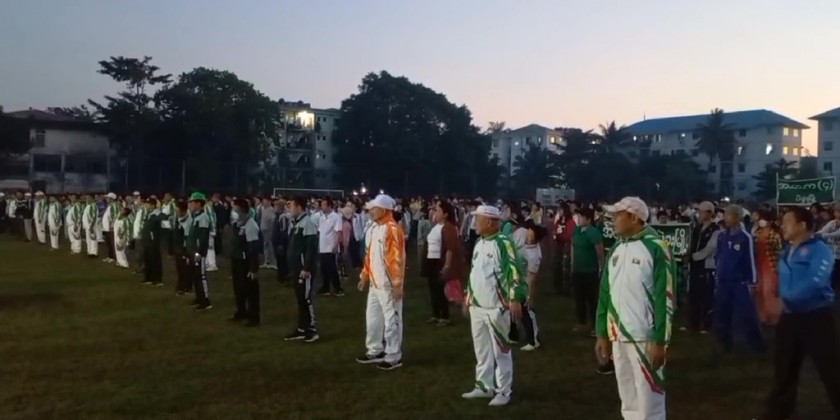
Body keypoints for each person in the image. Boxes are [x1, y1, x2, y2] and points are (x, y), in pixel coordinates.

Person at [595, 197, 674, 420]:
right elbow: (605, 293)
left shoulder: (657, 248)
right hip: (618, 335)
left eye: (617, 215)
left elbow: (665, 298)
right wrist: (602, 332)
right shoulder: (616, 248)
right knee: (628, 397)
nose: (612, 220)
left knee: (649, 399)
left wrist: (660, 339)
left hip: (644, 336)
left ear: (633, 217)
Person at [758, 206, 840, 420]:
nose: (782, 226)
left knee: (830, 367)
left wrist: (787, 298)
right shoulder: (787, 250)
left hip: (816, 316)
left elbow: (817, 281)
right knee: (784, 367)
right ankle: (778, 410)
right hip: (790, 317)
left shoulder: (820, 250)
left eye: (787, 222)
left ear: (802, 225)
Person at [460, 205, 527, 407]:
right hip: (478, 307)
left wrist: (515, 297)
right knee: (482, 350)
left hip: (497, 308)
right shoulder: (479, 243)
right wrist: (468, 297)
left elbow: (514, 271)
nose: (475, 223)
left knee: (501, 351)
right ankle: (483, 386)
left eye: (478, 219)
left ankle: (503, 390)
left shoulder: (503, 243)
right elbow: (475, 272)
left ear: (489, 222)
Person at [355, 194, 406, 371]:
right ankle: (375, 349)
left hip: (388, 285)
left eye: (374, 208)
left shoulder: (392, 229)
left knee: (392, 319)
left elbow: (396, 259)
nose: (370, 211)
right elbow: (369, 255)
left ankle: (393, 355)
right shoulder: (374, 228)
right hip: (375, 283)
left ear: (384, 210)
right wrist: (364, 275)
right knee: (373, 317)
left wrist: (397, 284)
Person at [714, 205, 766, 354]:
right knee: (722, 312)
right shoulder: (722, 236)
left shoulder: (745, 237)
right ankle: (724, 343)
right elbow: (719, 256)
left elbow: (751, 259)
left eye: (729, 215)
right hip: (723, 281)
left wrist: (753, 281)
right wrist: (717, 274)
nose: (725, 218)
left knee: (748, 313)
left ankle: (757, 344)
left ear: (737, 217)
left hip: (739, 282)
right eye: (725, 214)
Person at [284, 196, 320, 343]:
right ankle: (302, 328)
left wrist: (306, 268)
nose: (289, 209)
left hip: (304, 270)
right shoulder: (296, 223)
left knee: (306, 298)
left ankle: (311, 329)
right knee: (300, 298)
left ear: (299, 207)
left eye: (292, 206)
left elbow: (311, 248)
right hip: (296, 268)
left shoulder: (308, 223)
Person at [422, 201, 463, 327]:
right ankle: (436, 314)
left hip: (439, 261)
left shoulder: (448, 228)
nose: (436, 213)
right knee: (433, 289)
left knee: (441, 290)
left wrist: (446, 266)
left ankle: (444, 316)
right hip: (431, 260)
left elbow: (450, 249)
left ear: (445, 214)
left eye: (438, 211)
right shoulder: (435, 227)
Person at [228, 198, 262, 326]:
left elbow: (253, 249)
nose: (233, 212)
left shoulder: (251, 225)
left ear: (242, 211)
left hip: (246, 262)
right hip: (237, 259)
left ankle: (254, 316)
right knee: (238, 288)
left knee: (250, 290)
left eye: (235, 210)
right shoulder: (237, 224)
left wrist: (253, 268)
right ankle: (241, 311)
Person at [688, 201, 720, 333]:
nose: (699, 214)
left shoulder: (716, 230)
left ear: (709, 213)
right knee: (694, 295)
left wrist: (693, 257)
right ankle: (694, 324)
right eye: (698, 211)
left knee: (706, 297)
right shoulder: (697, 228)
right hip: (694, 266)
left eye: (701, 211)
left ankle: (707, 324)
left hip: (706, 267)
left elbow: (710, 249)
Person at [754, 209, 783, 325]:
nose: (761, 221)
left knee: (769, 292)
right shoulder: (757, 233)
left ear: (770, 222)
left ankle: (773, 316)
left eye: (763, 219)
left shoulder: (774, 235)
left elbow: (779, 252)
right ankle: (762, 316)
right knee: (759, 292)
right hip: (759, 266)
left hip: (770, 267)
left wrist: (778, 267)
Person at [187, 192, 212, 311]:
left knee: (201, 276)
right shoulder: (195, 216)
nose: (190, 205)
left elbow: (202, 238)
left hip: (199, 253)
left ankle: (205, 300)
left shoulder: (203, 217)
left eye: (192, 202)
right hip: (193, 252)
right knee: (195, 276)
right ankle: (199, 297)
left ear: (198, 203)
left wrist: (199, 252)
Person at [317, 197, 344, 296]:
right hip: (323, 248)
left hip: (330, 248)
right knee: (324, 269)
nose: (322, 207)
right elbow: (321, 232)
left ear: (329, 206)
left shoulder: (336, 217)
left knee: (332, 269)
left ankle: (338, 288)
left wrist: (335, 246)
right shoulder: (322, 217)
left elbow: (338, 232)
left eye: (324, 205)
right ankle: (326, 288)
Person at [140, 198, 165, 286]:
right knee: (147, 259)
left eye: (148, 204)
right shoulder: (149, 214)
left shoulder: (157, 214)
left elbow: (165, 219)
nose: (146, 206)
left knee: (155, 259)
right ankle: (149, 278)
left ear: (153, 205)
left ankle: (157, 279)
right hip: (147, 240)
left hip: (153, 241)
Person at [553, 203, 576, 295]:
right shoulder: (559, 221)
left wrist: (559, 237)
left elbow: (569, 236)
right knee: (557, 267)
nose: (559, 211)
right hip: (558, 247)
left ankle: (566, 288)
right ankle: (558, 287)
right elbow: (554, 230)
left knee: (565, 267)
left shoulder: (570, 222)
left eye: (561, 209)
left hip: (566, 247)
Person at [817, 204, 840, 291]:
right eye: (836, 211)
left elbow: (837, 234)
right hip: (831, 253)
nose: (837, 213)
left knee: (835, 276)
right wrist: (813, 235)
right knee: (831, 275)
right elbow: (822, 231)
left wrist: (823, 235)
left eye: (839, 211)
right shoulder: (832, 223)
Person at [172, 200, 192, 294]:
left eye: (178, 211)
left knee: (185, 269)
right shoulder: (178, 219)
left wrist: (186, 251)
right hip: (178, 248)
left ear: (183, 211)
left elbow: (187, 237)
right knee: (179, 268)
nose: (176, 213)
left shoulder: (188, 221)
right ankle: (180, 285)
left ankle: (186, 287)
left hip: (184, 249)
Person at [101, 192, 119, 263]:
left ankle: (113, 257)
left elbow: (114, 216)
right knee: (108, 243)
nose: (106, 199)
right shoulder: (110, 206)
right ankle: (110, 256)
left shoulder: (113, 206)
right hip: (107, 228)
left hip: (110, 228)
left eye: (107, 198)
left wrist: (112, 226)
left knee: (111, 243)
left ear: (111, 199)